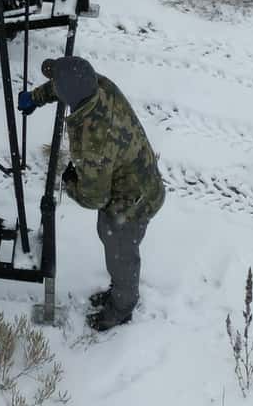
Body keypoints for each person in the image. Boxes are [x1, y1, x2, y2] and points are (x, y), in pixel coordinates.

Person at [19, 56, 164, 331]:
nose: (54, 83)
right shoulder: (99, 86)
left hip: (133, 204)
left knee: (120, 252)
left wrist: (71, 181)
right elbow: (66, 84)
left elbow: (94, 198)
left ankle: (121, 309)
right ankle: (120, 292)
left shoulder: (93, 139)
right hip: (137, 175)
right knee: (113, 243)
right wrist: (36, 98)